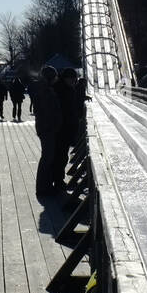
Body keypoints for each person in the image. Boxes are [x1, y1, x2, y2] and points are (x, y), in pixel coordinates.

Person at [32, 66, 62, 196]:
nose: (56, 78)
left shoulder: (43, 89)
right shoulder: (45, 91)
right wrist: (54, 124)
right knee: (47, 158)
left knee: (48, 157)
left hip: (46, 127)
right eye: (54, 76)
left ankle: (45, 185)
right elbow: (47, 111)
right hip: (47, 128)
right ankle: (43, 188)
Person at [54, 68, 82, 182]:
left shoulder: (67, 88)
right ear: (66, 78)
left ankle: (59, 179)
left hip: (66, 127)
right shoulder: (62, 90)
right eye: (72, 79)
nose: (74, 81)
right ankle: (58, 180)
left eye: (74, 79)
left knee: (62, 155)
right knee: (60, 156)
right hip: (62, 128)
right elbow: (65, 109)